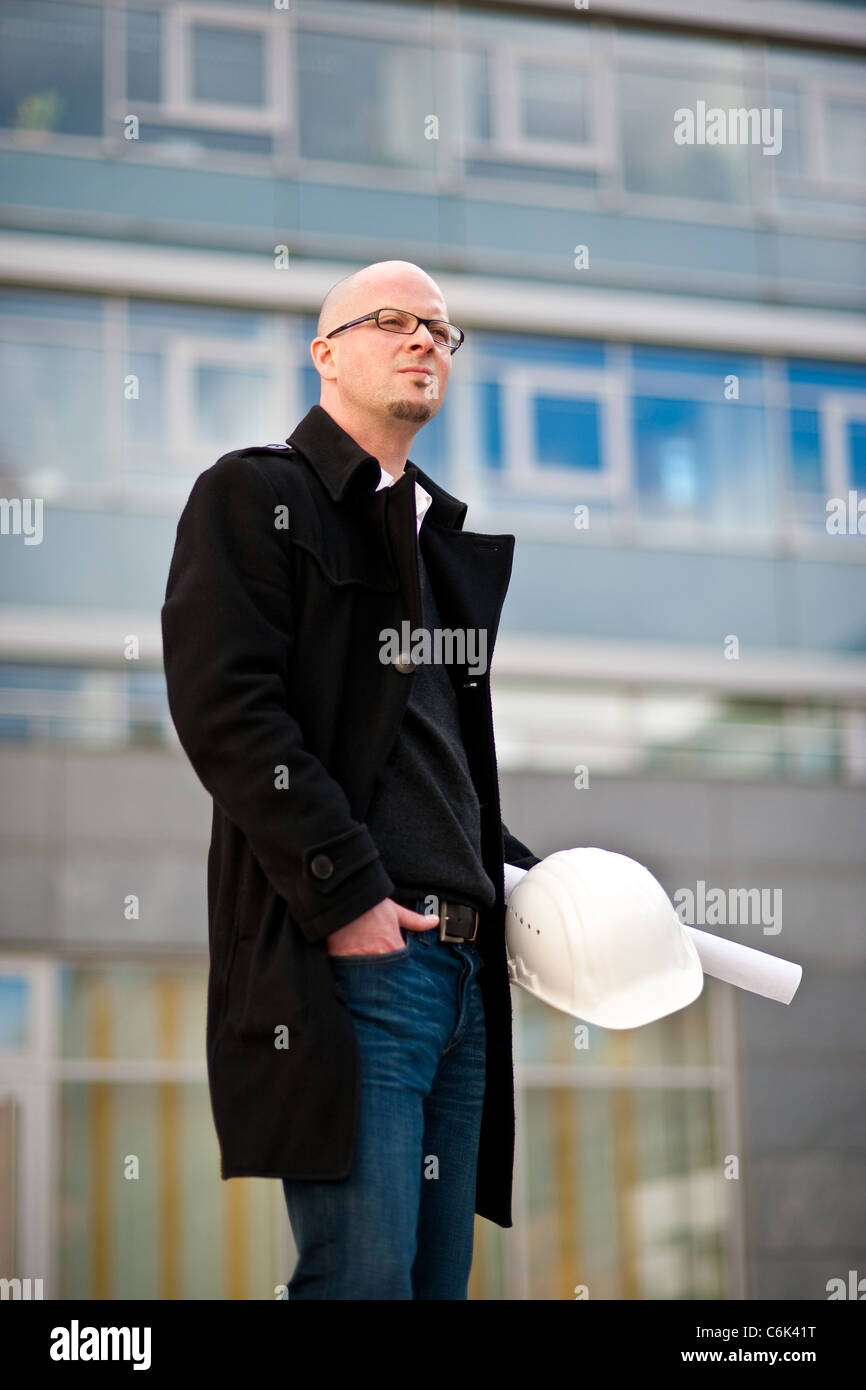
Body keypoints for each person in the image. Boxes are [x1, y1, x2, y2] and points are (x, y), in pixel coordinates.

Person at [161, 259, 541, 1300]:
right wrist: (347, 896)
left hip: (462, 974)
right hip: (360, 962)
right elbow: (227, 709)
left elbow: (439, 770)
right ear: (323, 353)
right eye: (391, 321)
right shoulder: (254, 494)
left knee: (430, 1286)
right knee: (359, 1281)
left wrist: (540, 884)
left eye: (439, 329)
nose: (423, 338)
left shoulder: (435, 542)